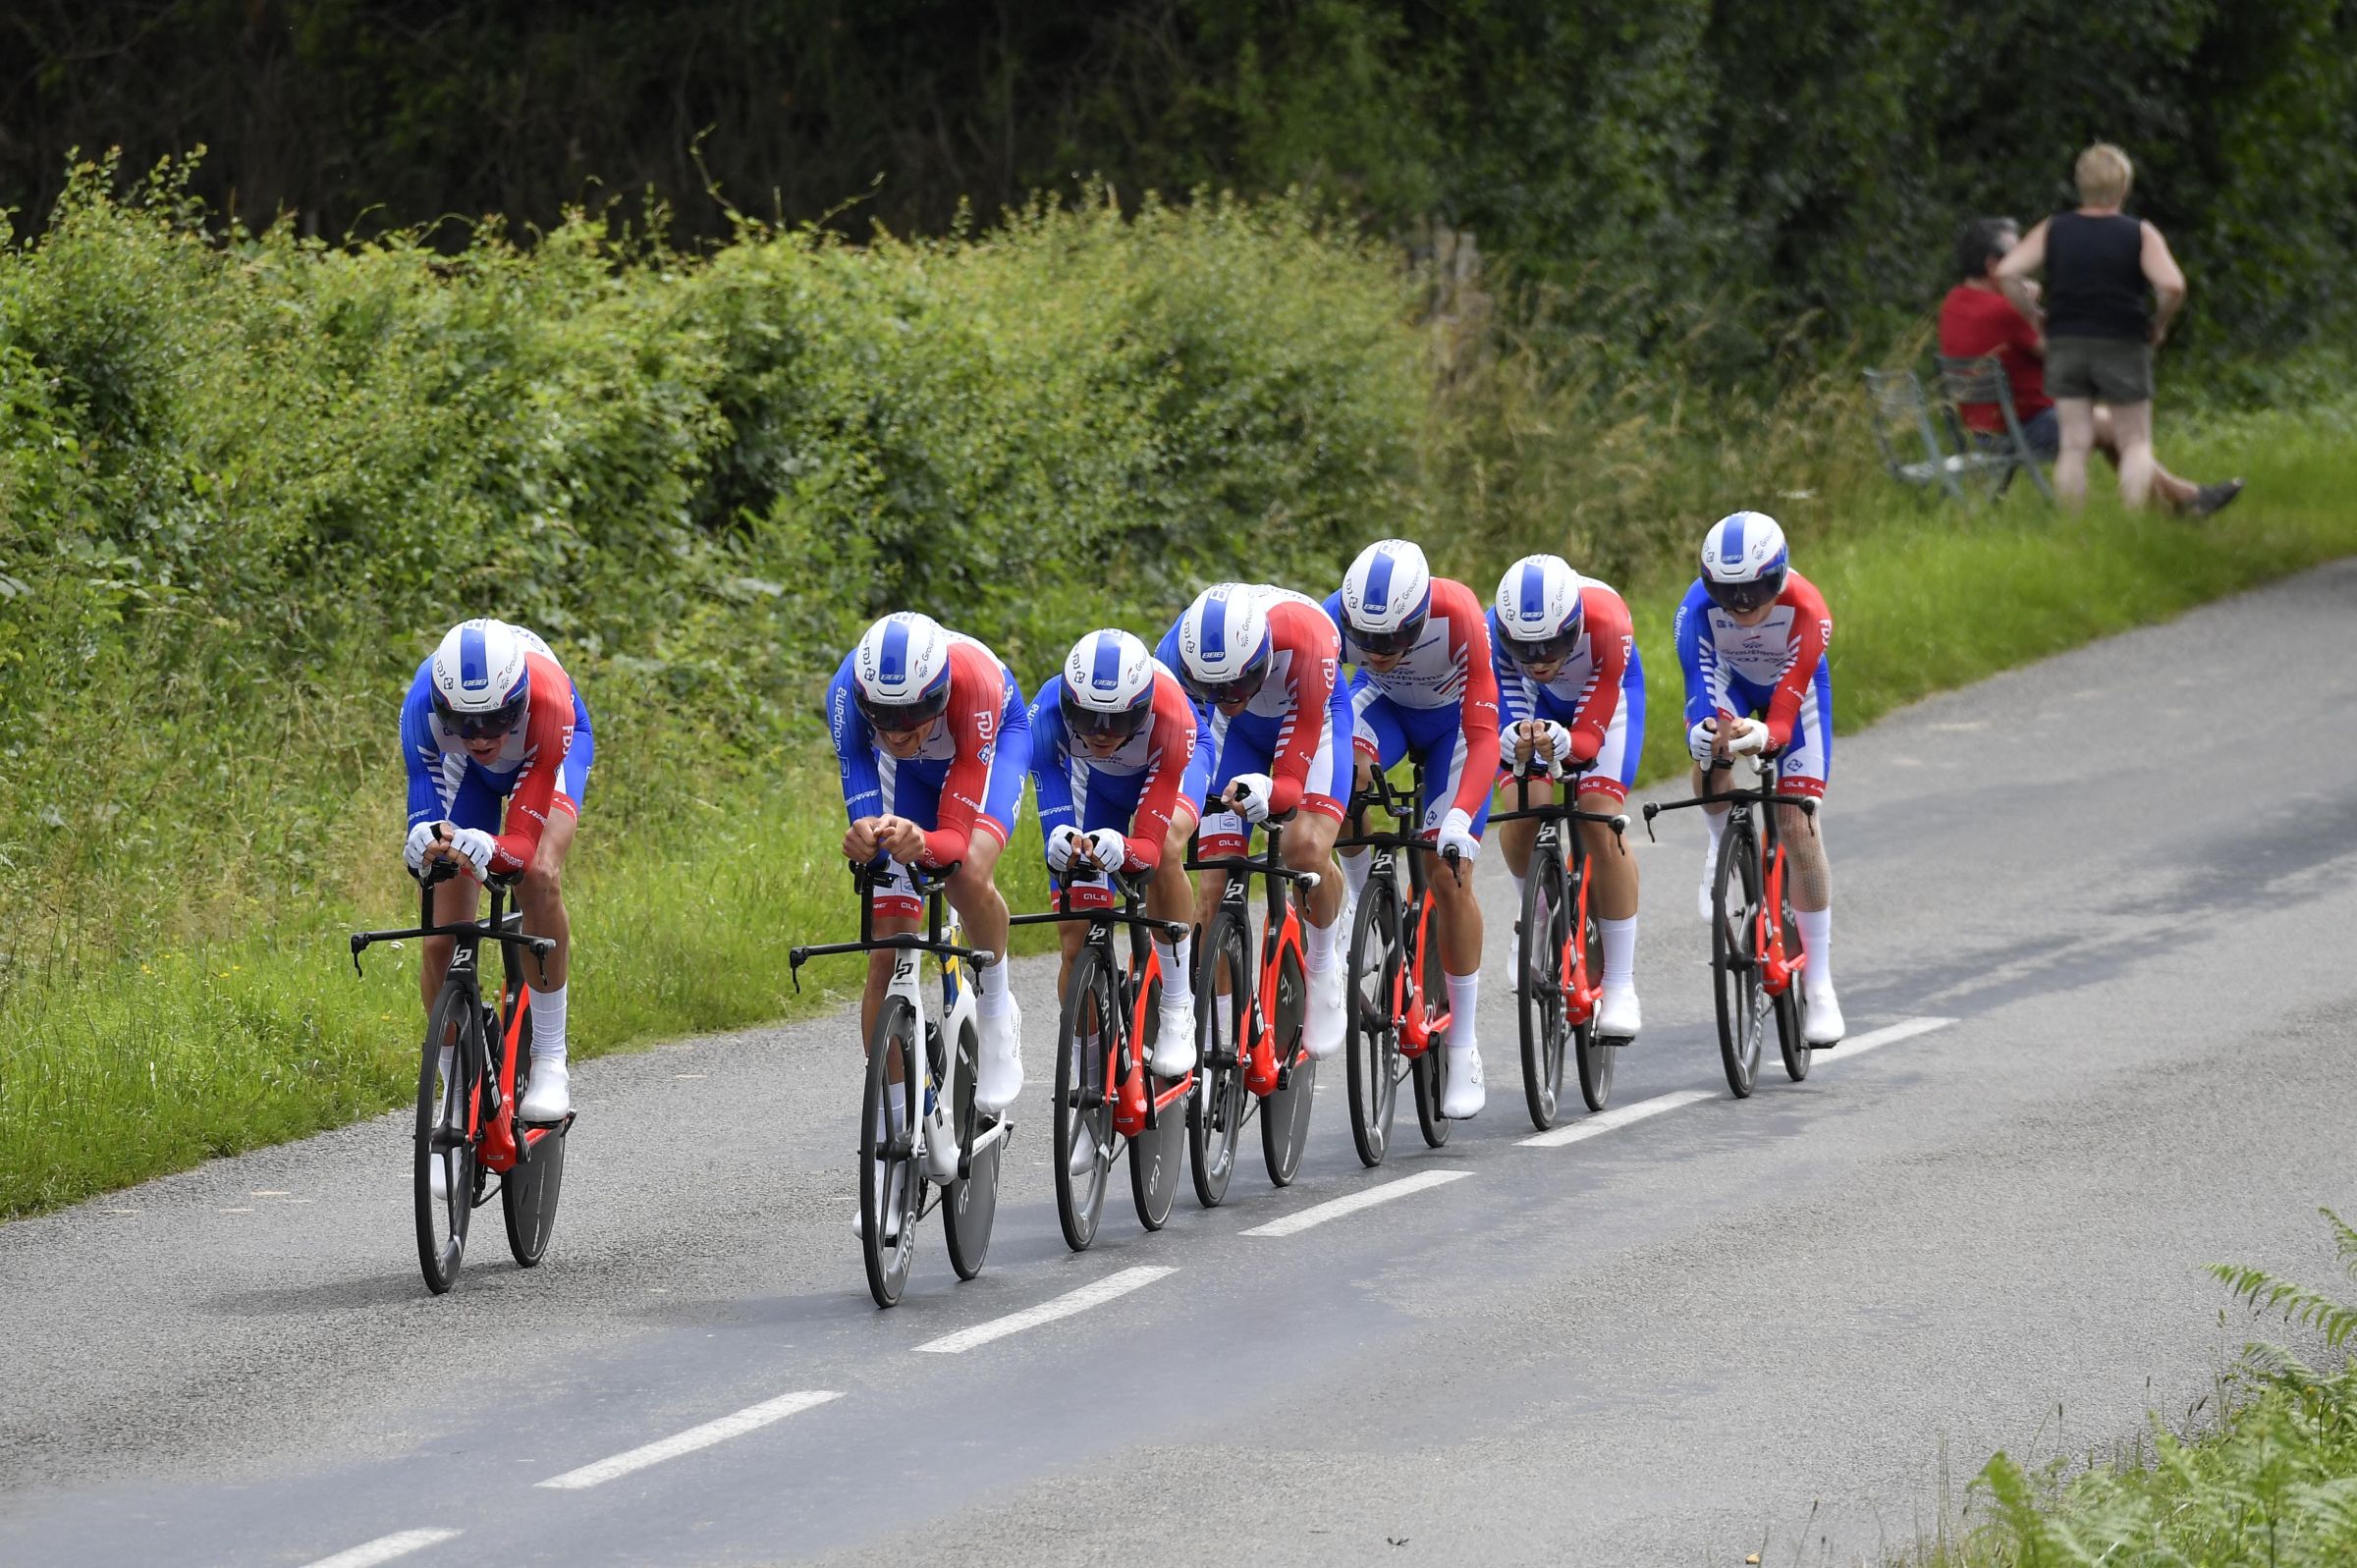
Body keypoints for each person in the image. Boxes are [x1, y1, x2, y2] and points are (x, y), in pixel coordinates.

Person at [828, 612, 1031, 1116]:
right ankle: (896, 1119)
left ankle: (997, 1009)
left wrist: (924, 842)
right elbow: (866, 812)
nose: (897, 732)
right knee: (887, 946)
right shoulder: (845, 694)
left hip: (989, 744)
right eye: (883, 717)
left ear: (938, 696)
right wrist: (866, 838)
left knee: (965, 875)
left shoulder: (975, 688)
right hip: (909, 776)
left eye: (912, 714)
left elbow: (955, 844)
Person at [1325, 539, 1500, 1118]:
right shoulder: (1335, 619)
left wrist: (1458, 819)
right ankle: (1358, 898)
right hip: (1386, 709)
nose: (1377, 652)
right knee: (1341, 775)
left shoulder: (1462, 616)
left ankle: (1464, 1041)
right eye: (1365, 640)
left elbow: (1484, 737)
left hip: (1455, 730)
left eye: (1393, 640)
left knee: (1446, 873)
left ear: (1420, 617)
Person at [1156, 582, 1352, 1076]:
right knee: (1213, 883)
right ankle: (1217, 1031)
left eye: (1237, 687)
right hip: (1232, 737)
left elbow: (1288, 781)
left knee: (1303, 846)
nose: (1228, 698)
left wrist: (1273, 794)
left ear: (1260, 660)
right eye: (1213, 689)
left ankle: (1325, 961)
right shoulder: (1177, 653)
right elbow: (1179, 740)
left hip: (1312, 717)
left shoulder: (1307, 641)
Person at [402, 618, 590, 1127]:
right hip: (470, 779)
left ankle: (550, 1056)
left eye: (494, 719)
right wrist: (424, 842)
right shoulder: (420, 705)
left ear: (519, 701)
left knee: (538, 877)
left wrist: (489, 846)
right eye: (463, 721)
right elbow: (425, 813)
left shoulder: (547, 703)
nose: (480, 736)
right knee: (442, 935)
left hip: (544, 757)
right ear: (440, 706)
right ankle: (454, 1096)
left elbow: (522, 848)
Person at [1994, 143, 2243, 514]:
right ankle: (2131, 527)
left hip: (2066, 341)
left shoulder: (2053, 229)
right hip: (2123, 342)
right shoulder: (2139, 233)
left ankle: (2073, 533)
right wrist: (2157, 325)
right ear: (2124, 187)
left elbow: (2006, 272)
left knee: (2074, 444)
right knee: (2134, 443)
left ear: (2080, 184)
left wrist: (2034, 316)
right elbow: (2173, 286)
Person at [1672, 512, 1843, 1045]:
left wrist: (1765, 736)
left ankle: (1819, 983)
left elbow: (1786, 716)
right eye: (1728, 592)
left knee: (1796, 824)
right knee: (1712, 749)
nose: (1743, 606)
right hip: (1730, 683)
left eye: (1756, 590)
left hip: (1795, 694)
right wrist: (1706, 735)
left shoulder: (1808, 610)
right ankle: (1718, 845)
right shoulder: (1695, 611)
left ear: (1780, 578)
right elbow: (1699, 689)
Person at [1941, 214, 2237, 515]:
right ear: (1993, 266)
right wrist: (2030, 304)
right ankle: (2187, 498)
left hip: (1983, 431)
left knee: (2109, 429)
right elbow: (2060, 353)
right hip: (2024, 430)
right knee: (2116, 427)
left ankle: (2178, 506)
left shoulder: (1954, 302)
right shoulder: (2004, 311)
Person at [1027, 627, 1208, 1082]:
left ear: (1142, 710)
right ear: (1069, 705)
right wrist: (1063, 842)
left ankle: (1176, 1004)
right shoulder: (1045, 714)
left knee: (1166, 851)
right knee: (1074, 936)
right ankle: (1090, 1082)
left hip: (1171, 767)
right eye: (1087, 719)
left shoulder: (1171, 717)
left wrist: (1125, 848)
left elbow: (1144, 852)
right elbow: (1057, 816)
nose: (1101, 733)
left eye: (1116, 721)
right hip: (1097, 784)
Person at [1487, 553, 1645, 1040]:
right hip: (1534, 707)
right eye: (1524, 648)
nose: (1538, 660)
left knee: (1599, 816)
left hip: (1605, 704)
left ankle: (1620, 984)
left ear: (1573, 626)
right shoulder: (1491, 632)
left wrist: (1570, 742)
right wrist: (1515, 736)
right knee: (1522, 803)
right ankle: (1533, 915)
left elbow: (1591, 740)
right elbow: (1503, 697)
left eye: (1552, 645)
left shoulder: (1609, 620)